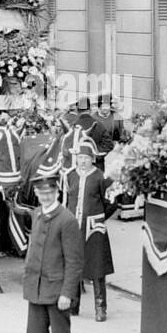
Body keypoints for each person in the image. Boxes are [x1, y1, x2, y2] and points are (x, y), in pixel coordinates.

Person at [18, 174, 83, 333]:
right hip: (36, 287)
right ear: (36, 193)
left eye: (50, 192)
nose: (45, 196)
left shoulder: (67, 220)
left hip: (57, 290)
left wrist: (67, 293)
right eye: (41, 193)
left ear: (57, 192)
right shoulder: (37, 214)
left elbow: (74, 262)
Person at [64, 137, 118, 322]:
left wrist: (99, 218)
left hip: (94, 229)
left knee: (96, 268)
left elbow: (111, 203)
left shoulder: (101, 177)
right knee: (73, 266)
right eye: (80, 157)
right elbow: (65, 202)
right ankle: (73, 305)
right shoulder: (69, 175)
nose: (83, 160)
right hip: (73, 228)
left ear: (93, 158)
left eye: (86, 157)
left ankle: (100, 308)